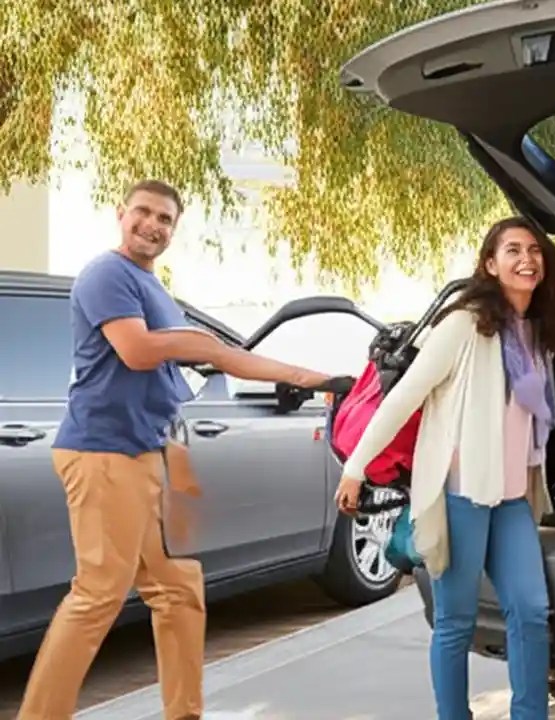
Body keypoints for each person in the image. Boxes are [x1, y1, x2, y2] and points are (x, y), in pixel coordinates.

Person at [18, 180, 339, 720]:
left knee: (177, 587)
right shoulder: (107, 275)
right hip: (103, 453)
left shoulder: (153, 288)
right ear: (121, 214)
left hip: (142, 453)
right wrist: (197, 344)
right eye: (143, 212)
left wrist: (315, 377)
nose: (153, 225)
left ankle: (183, 713)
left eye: (165, 219)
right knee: (98, 593)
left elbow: (226, 357)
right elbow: (139, 351)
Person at [332, 216, 555, 720]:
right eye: (512, 250)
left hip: (512, 498)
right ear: (490, 263)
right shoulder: (464, 323)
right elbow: (404, 397)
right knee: (455, 622)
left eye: (534, 250)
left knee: (530, 612)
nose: (526, 259)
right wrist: (355, 466)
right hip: (459, 495)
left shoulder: (537, 333)